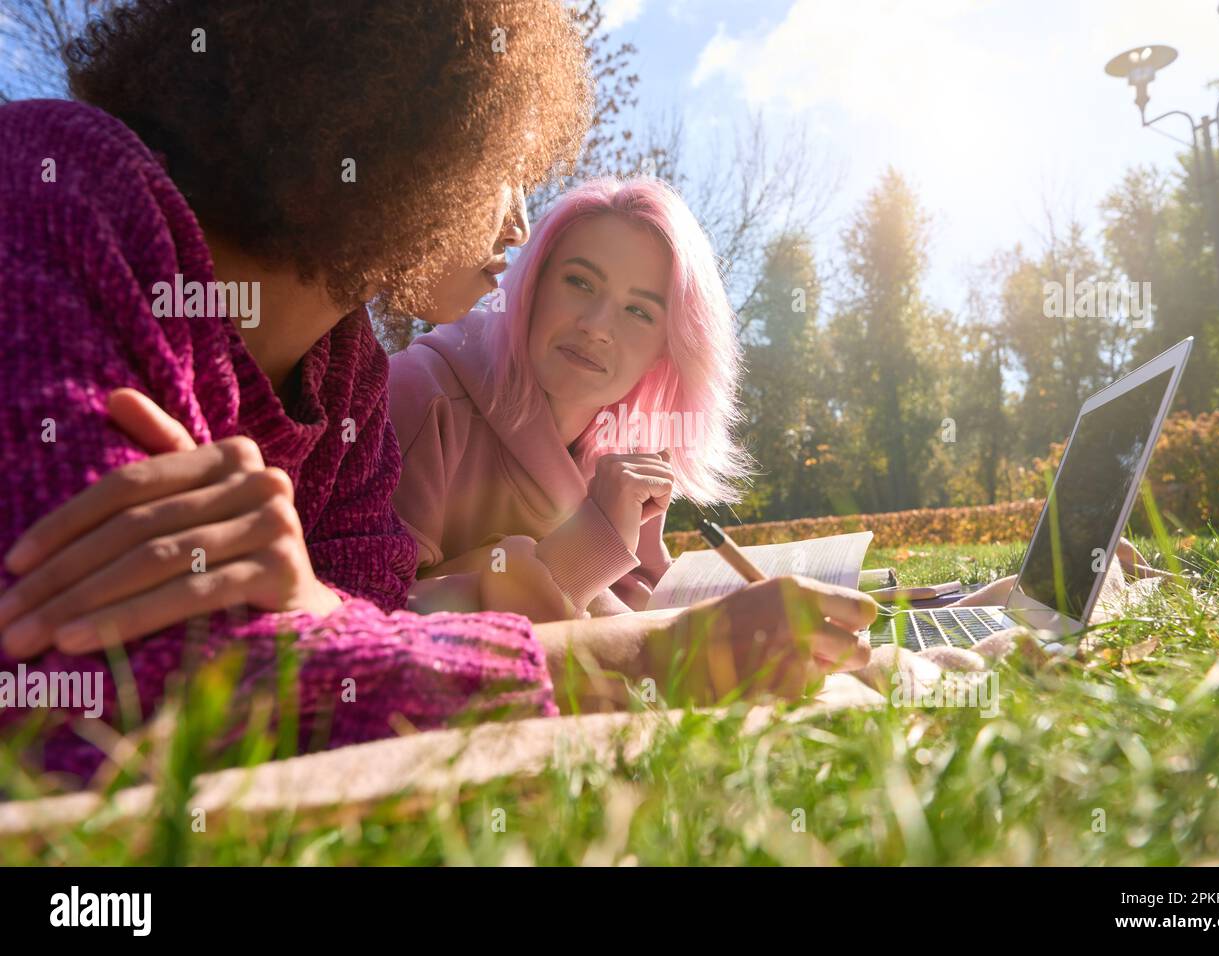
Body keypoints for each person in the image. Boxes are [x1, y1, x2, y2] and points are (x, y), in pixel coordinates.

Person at [0, 1, 874, 785]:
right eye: (510, 167)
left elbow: (373, 650)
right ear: (389, 120)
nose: (522, 226)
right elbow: (92, 712)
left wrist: (314, 612)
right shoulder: (61, 192)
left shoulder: (346, 381)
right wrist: (658, 653)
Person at [389, 178, 750, 621]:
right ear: (533, 285)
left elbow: (638, 604)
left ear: (666, 349)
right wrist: (591, 546)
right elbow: (367, 621)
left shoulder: (630, 452)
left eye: (639, 311)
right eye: (579, 282)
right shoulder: (420, 396)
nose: (597, 326)